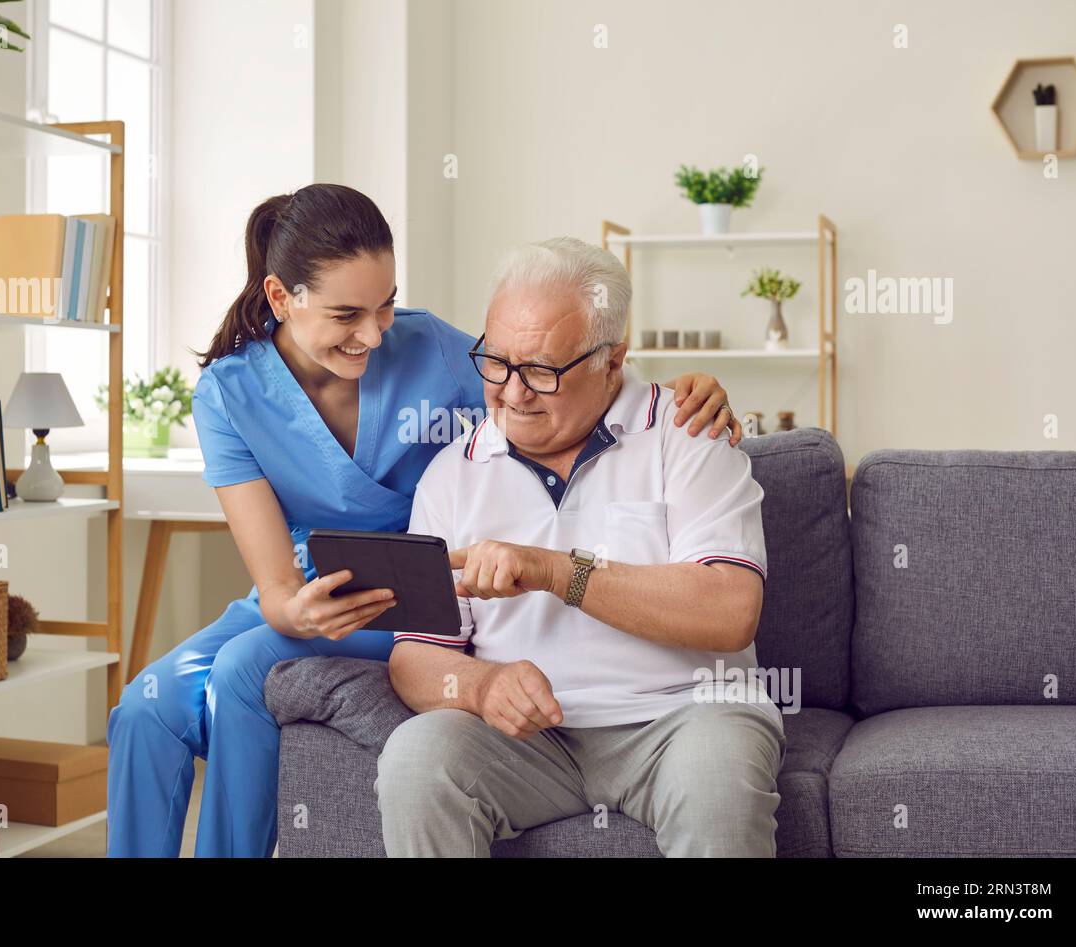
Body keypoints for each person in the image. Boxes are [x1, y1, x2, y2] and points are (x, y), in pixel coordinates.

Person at [106, 184, 742, 858]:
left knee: (240, 670)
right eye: (348, 313)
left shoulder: (431, 350)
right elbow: (277, 589)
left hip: (421, 595)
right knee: (144, 709)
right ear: (280, 297)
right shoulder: (230, 392)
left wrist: (682, 389)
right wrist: (299, 613)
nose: (375, 333)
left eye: (385, 304)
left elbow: (557, 373)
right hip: (313, 597)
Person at [376, 236, 784, 857]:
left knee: (716, 781)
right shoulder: (452, 474)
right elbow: (415, 657)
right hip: (528, 744)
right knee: (417, 758)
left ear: (612, 359)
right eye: (496, 362)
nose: (511, 393)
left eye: (541, 370)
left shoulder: (688, 434)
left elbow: (729, 612)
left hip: (685, 718)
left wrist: (553, 570)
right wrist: (481, 687)